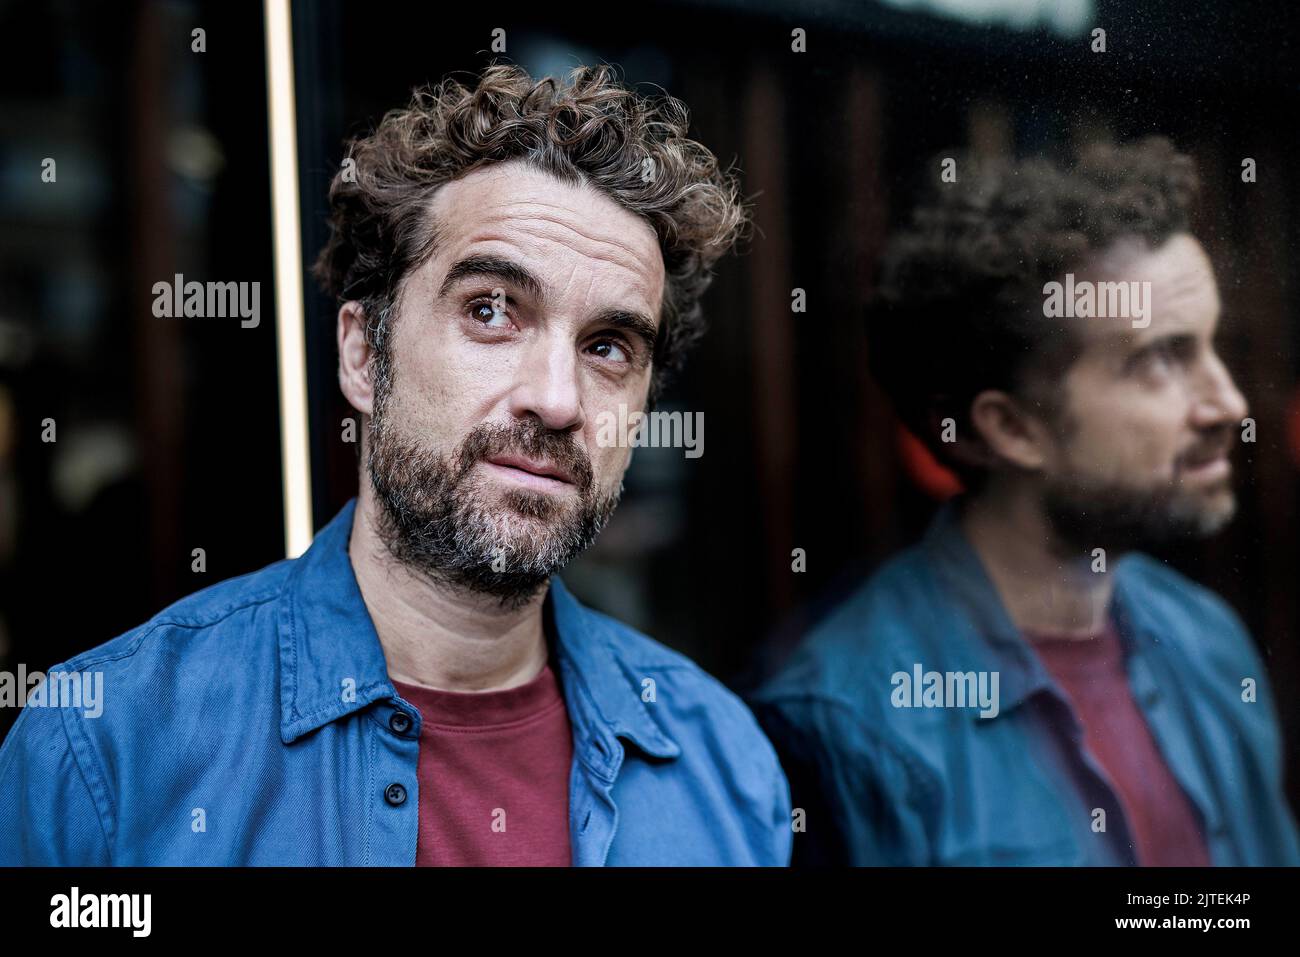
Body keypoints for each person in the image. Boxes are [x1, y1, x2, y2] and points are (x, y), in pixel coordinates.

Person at [0, 64, 791, 866]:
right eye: (490, 310)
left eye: (608, 346)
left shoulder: (726, 771)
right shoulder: (109, 752)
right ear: (361, 354)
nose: (557, 400)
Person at [752, 137, 1300, 866]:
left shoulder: (1206, 640)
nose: (1226, 401)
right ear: (1012, 428)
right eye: (1160, 360)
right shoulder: (848, 721)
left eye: (1209, 346)